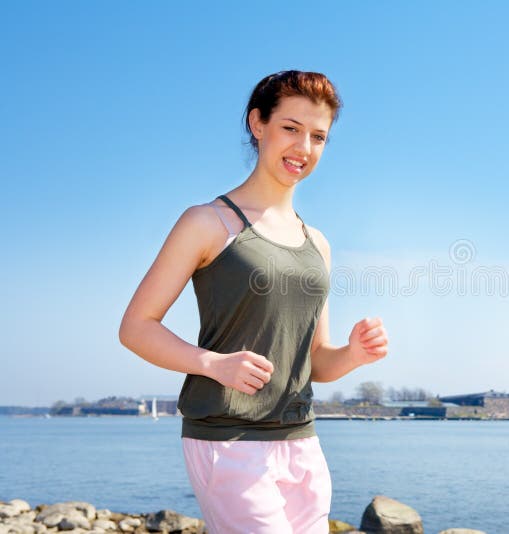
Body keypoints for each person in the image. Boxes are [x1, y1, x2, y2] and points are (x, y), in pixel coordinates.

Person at [118, 70, 389, 534]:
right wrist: (213, 363)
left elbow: (315, 363)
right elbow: (136, 327)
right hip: (228, 439)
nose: (304, 148)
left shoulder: (317, 243)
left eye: (318, 136)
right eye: (290, 128)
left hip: (301, 443)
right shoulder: (207, 223)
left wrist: (354, 355)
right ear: (257, 124)